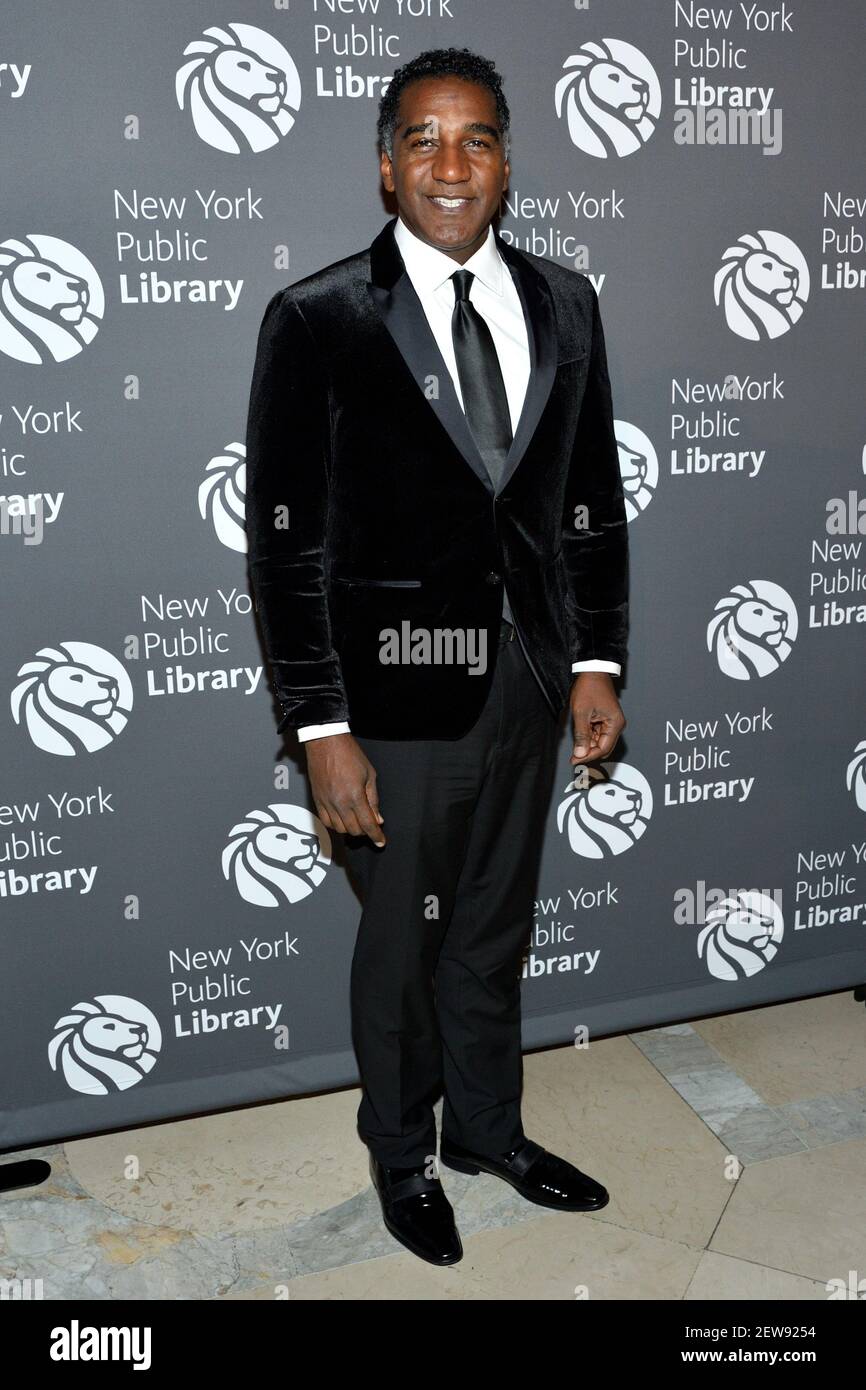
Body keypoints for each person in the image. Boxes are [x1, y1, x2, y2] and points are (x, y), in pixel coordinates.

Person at [245, 46, 629, 1266]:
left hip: (524, 683)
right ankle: (401, 1156)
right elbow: (284, 547)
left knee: (489, 931)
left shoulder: (567, 302)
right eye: (422, 139)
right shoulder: (317, 319)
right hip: (390, 707)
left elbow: (589, 502)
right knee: (403, 944)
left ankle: (487, 1131)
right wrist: (320, 729)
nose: (448, 164)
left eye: (473, 140)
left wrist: (595, 662)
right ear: (383, 165)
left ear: (506, 163)